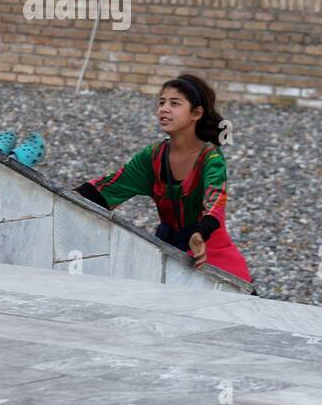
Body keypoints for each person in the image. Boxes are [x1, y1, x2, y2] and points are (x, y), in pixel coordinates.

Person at [75, 74, 252, 282]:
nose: (164, 109)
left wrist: (199, 234)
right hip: (168, 249)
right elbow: (108, 188)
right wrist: (59, 197)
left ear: (196, 113)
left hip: (208, 249)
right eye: (161, 102)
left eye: (174, 103)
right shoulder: (152, 157)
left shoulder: (210, 157)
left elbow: (215, 202)